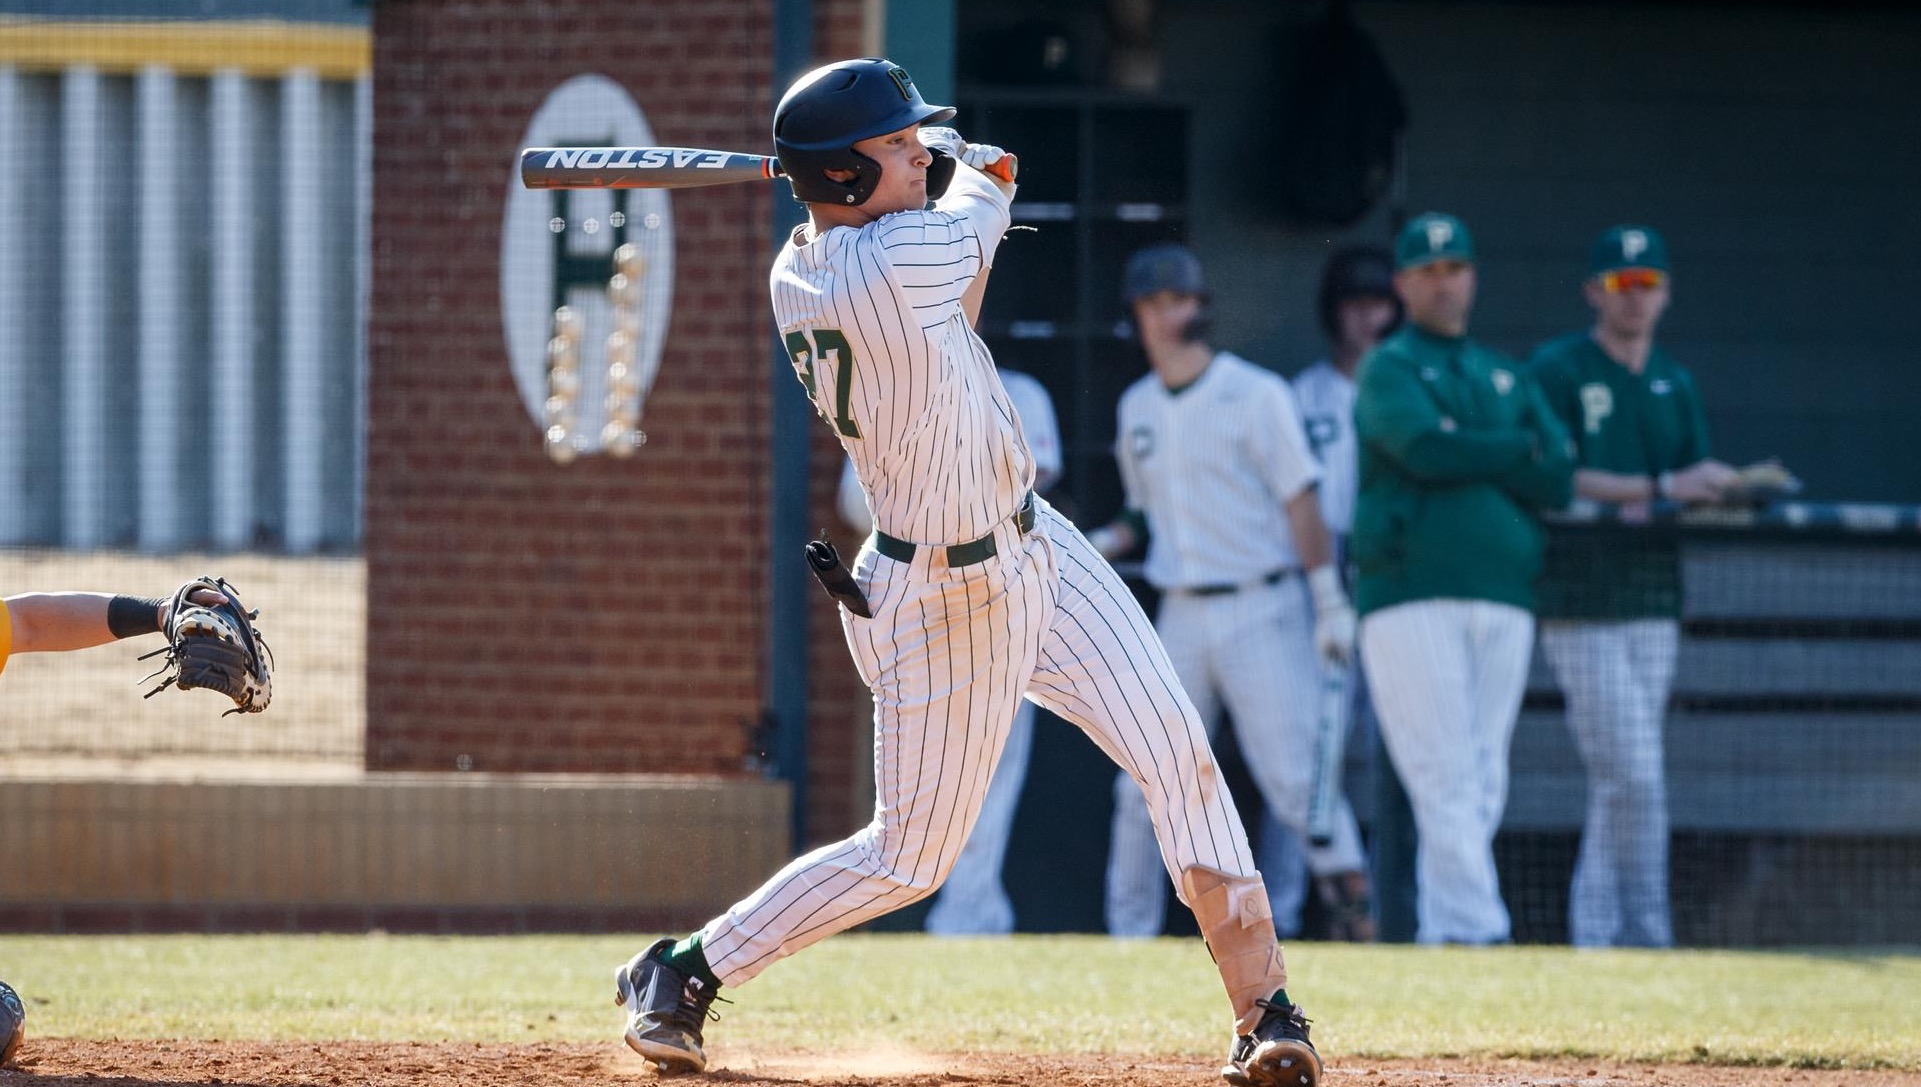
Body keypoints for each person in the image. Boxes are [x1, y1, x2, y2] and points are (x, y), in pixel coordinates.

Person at [612, 58, 1322, 1087]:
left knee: (1176, 751)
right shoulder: (883, 263)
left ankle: (1264, 1009)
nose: (914, 151)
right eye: (895, 143)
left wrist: (932, 165)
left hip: (1036, 546)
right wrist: (972, 165)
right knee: (909, 858)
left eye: (914, 139)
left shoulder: (814, 262)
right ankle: (684, 967)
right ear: (843, 176)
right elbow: (983, 197)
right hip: (939, 598)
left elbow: (960, 300)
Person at [1088, 242, 1373, 945]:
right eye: (1153, 303)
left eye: (1178, 300)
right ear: (1136, 314)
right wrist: (1095, 543)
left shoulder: (1255, 393)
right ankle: (1126, 936)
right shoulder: (1136, 406)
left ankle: (1357, 922)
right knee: (1143, 777)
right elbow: (1142, 515)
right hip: (1181, 611)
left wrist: (1327, 599)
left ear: (1200, 306)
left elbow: (1301, 499)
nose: (1167, 315)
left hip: (1263, 603)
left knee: (1296, 780)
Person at [1351, 211, 1575, 945]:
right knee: (1442, 771)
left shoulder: (1503, 371)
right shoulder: (1389, 365)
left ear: (1472, 277)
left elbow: (1558, 471)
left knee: (1482, 776)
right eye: (1427, 270)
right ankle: (1482, 931)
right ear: (1402, 283)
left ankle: (1449, 938)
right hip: (1409, 590)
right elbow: (1422, 449)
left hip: (1504, 590)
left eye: (1454, 268)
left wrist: (1476, 445)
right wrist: (1514, 446)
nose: (1443, 282)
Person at [1528, 225, 1737, 948]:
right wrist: (1658, 486)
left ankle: (1600, 935)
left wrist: (1720, 488)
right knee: (1635, 772)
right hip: (1579, 599)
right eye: (1621, 283)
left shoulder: (1674, 380)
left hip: (1653, 596)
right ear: (1594, 291)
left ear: (1665, 292)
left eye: (1647, 283)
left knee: (1619, 776)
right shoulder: (1558, 368)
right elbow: (1552, 473)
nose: (1635, 296)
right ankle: (1646, 929)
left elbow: (1689, 477)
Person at [835, 366, 1061, 937]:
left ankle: (969, 915)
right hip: (919, 606)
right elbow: (853, 504)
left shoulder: (1020, 390)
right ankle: (932, 913)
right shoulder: (884, 391)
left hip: (999, 595)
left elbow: (1032, 489)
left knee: (997, 768)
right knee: (916, 776)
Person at [1291, 244, 1415, 943]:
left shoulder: (1400, 387)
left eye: (1378, 304)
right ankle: (1290, 905)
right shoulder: (1304, 394)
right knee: (1309, 751)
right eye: (1355, 305)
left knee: (1387, 749)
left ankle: (1386, 907)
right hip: (1317, 580)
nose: (1367, 318)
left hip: (1386, 575)